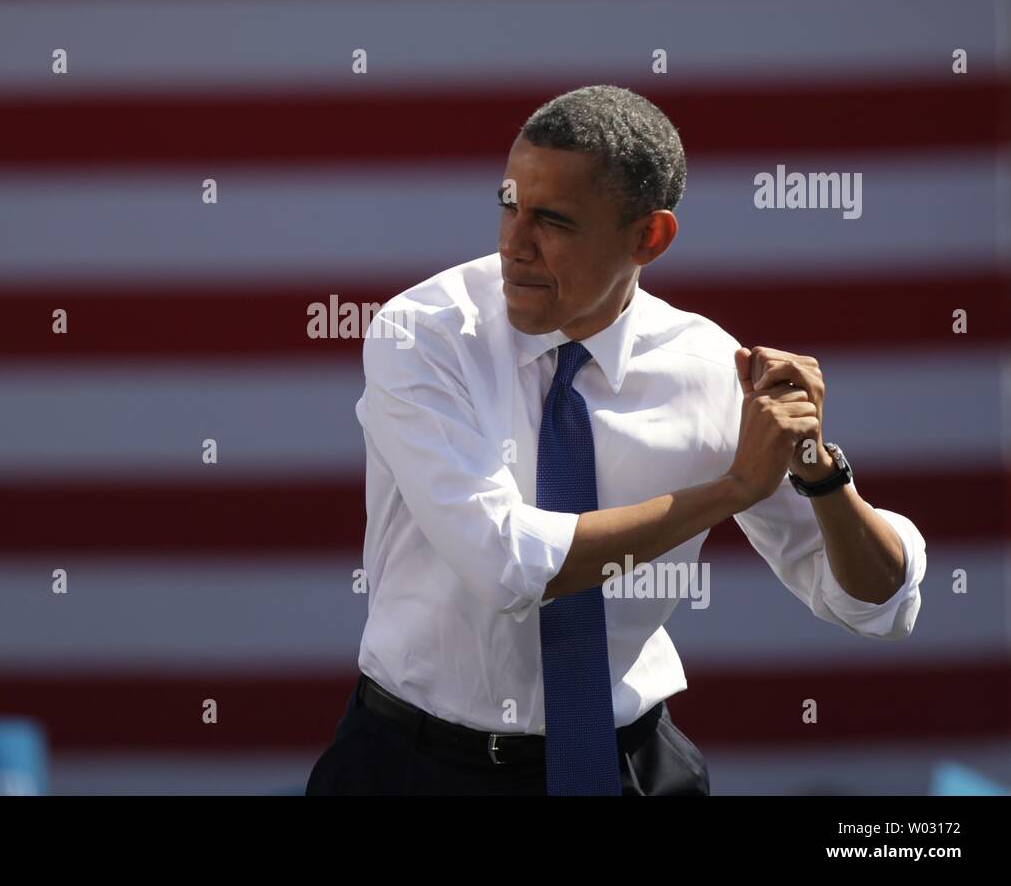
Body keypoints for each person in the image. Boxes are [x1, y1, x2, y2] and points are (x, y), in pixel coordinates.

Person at [305, 85, 927, 796]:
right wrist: (728, 492)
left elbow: (879, 604)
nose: (514, 241)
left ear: (649, 237)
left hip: (629, 765)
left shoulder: (709, 368)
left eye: (553, 220)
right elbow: (506, 563)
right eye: (509, 203)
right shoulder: (422, 332)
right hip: (412, 770)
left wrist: (818, 471)